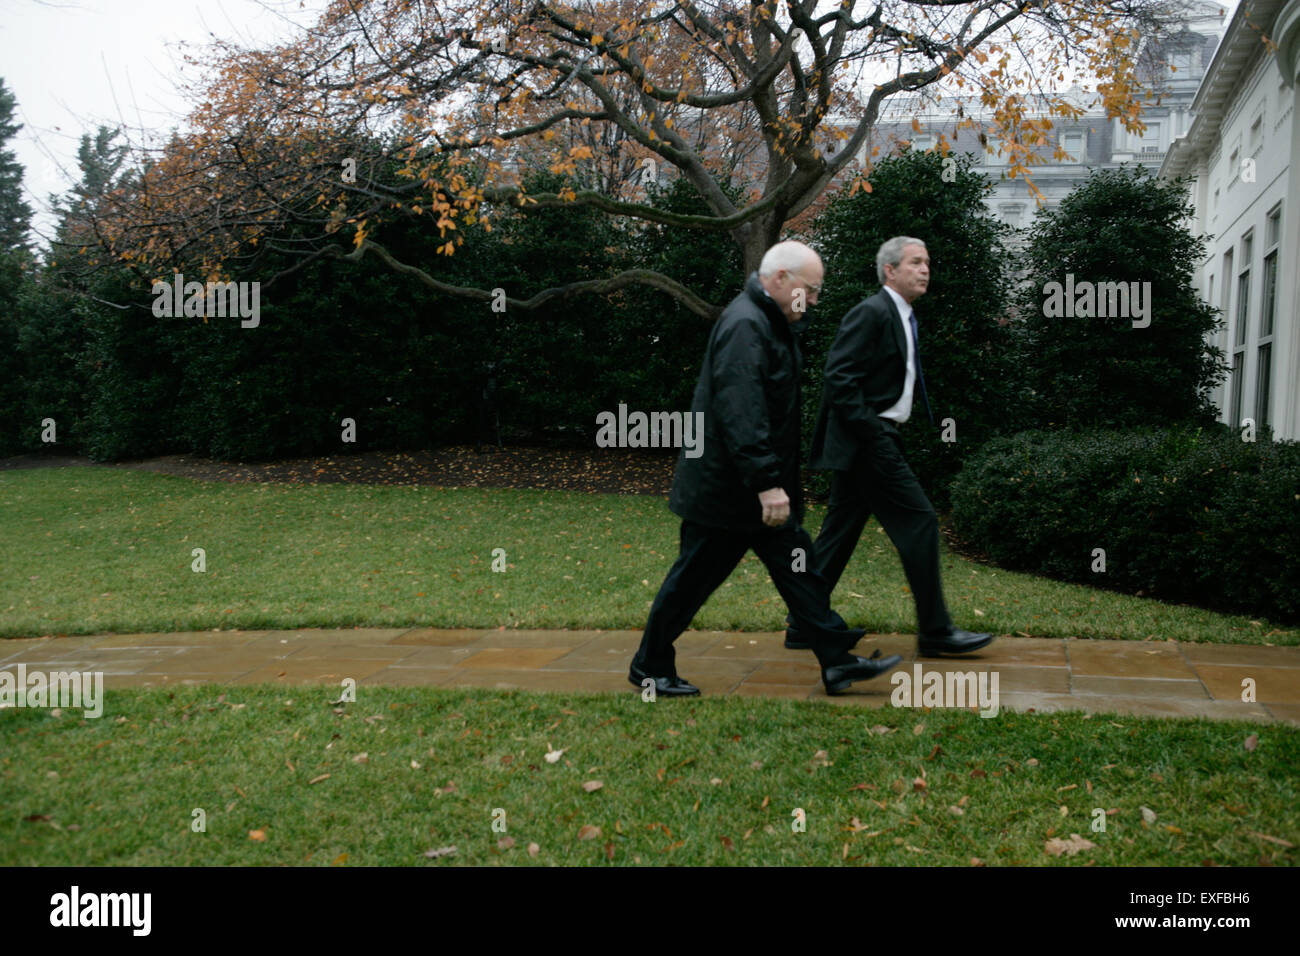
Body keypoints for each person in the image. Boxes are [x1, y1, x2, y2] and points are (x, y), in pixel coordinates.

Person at [629, 241, 903, 697]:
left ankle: (836, 660)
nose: (814, 300)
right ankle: (650, 666)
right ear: (779, 280)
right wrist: (767, 484)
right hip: (727, 493)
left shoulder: (768, 322)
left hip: (753, 490)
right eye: (810, 290)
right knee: (691, 583)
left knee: (800, 569)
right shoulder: (746, 326)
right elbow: (742, 411)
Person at [786, 236, 993, 657]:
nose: (925, 269)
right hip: (868, 440)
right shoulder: (873, 312)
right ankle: (936, 632)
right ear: (890, 271)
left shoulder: (901, 314)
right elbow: (839, 377)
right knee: (920, 522)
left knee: (839, 533)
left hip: (873, 437)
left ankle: (803, 623)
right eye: (915, 262)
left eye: (927, 262)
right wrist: (874, 431)